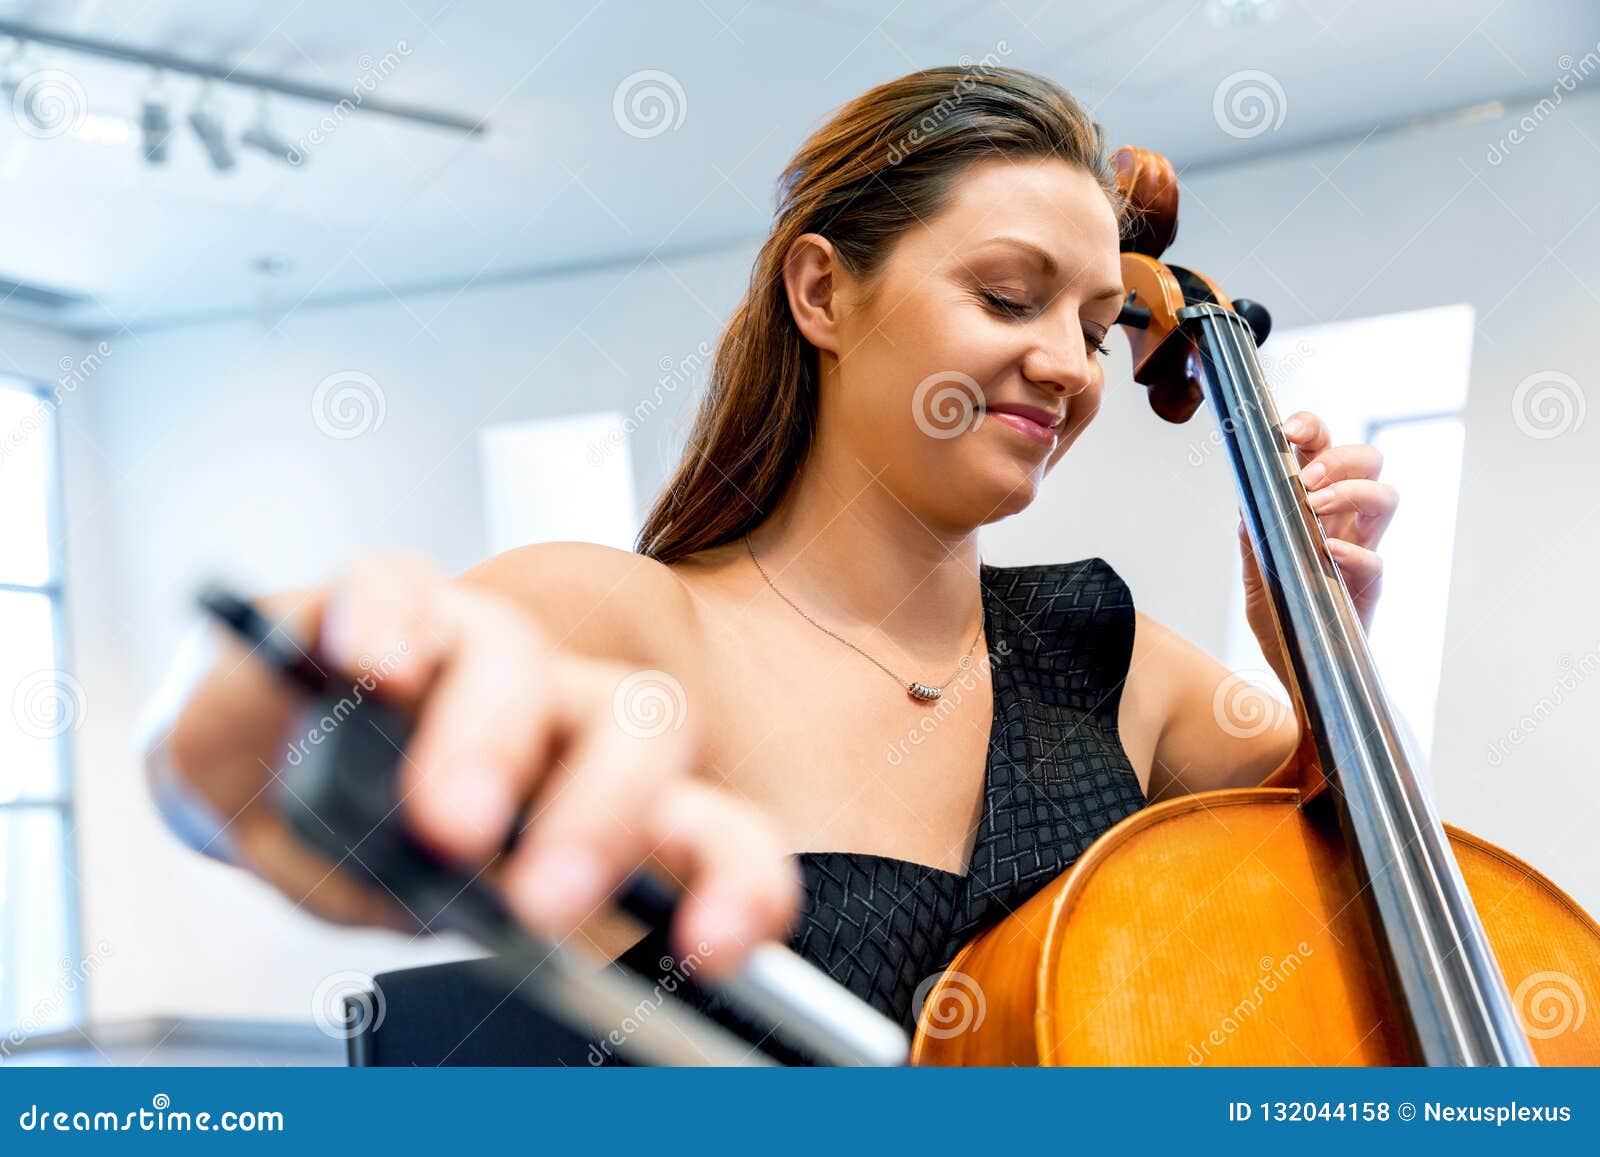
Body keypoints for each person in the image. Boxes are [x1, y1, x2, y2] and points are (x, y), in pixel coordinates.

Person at [141, 66, 1397, 1041]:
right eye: (1010, 299)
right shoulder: (626, 622)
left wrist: (1318, 654)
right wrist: (273, 699)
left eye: (1097, 322)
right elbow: (245, 781)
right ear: (822, 294)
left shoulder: (1114, 663)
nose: (1071, 365)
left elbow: (1343, 925)